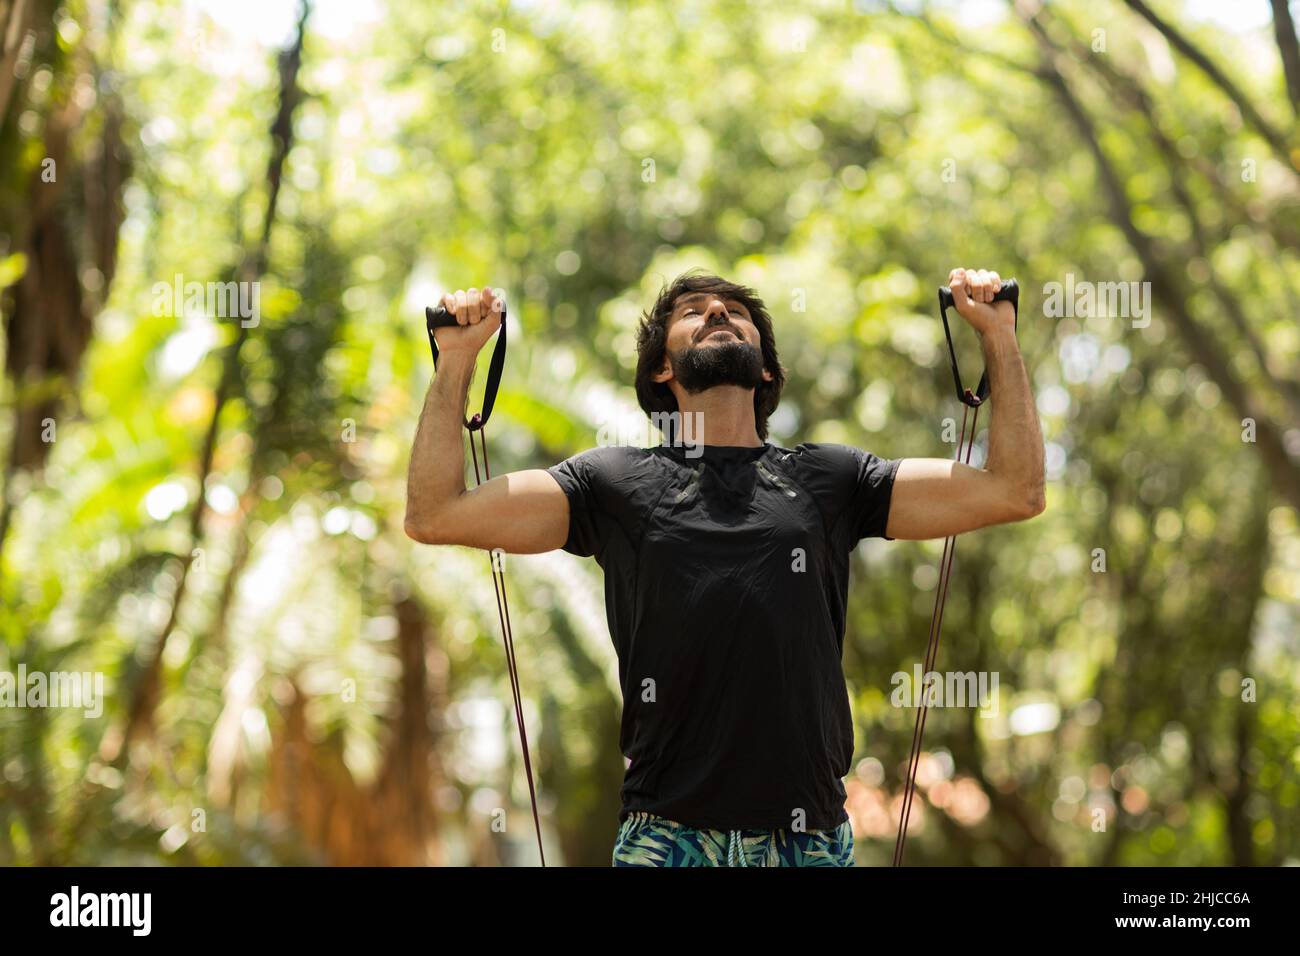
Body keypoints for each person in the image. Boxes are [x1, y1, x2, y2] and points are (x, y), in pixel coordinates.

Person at [405, 267, 1045, 867]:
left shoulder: (831, 479)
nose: (717, 312)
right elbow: (434, 515)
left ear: (765, 368)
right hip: (668, 837)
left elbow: (1016, 490)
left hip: (810, 838)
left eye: (736, 312)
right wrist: (458, 357)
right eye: (694, 311)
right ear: (662, 366)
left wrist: (999, 336)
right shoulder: (613, 483)